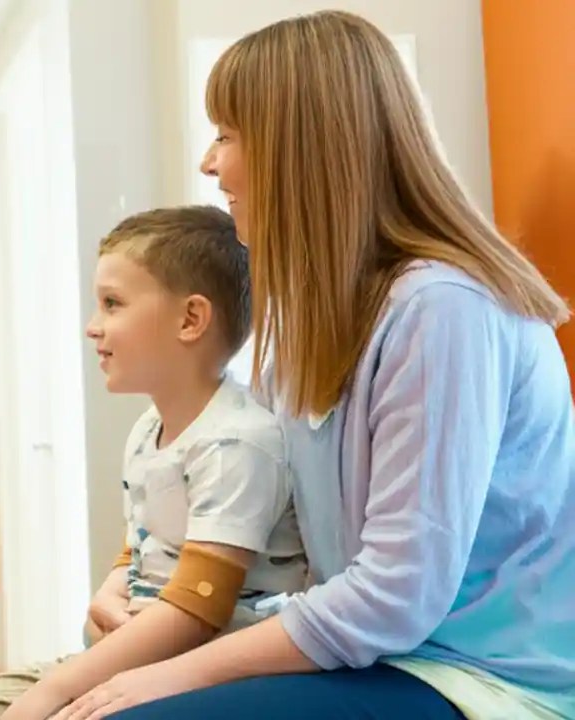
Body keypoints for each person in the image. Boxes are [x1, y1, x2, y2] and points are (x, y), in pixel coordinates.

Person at [49, 11, 575, 720]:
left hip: (477, 678)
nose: (211, 163)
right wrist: (129, 586)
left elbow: (393, 597)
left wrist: (175, 675)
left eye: (227, 136)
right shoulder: (306, 325)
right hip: (374, 656)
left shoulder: (444, 308)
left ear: (297, 147)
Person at [0, 206, 307, 720]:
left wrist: (54, 690)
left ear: (190, 319)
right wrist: (111, 590)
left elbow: (200, 607)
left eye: (113, 304)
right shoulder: (147, 430)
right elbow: (142, 546)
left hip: (198, 674)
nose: (93, 328)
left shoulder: (237, 444)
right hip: (130, 660)